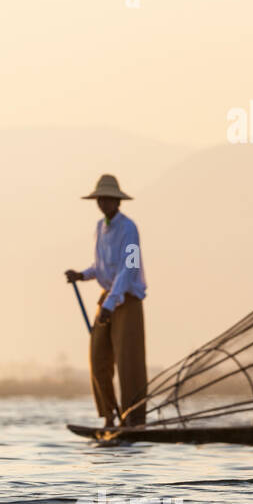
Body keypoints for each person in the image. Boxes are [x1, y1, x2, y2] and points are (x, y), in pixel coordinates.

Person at [64, 174, 147, 427]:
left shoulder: (129, 228)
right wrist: (83, 275)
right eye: (101, 199)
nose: (104, 203)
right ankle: (110, 415)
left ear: (117, 201)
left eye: (109, 199)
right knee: (98, 357)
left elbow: (128, 269)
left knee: (127, 361)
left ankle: (133, 418)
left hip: (128, 299)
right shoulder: (100, 228)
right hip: (108, 296)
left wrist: (111, 304)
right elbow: (101, 267)